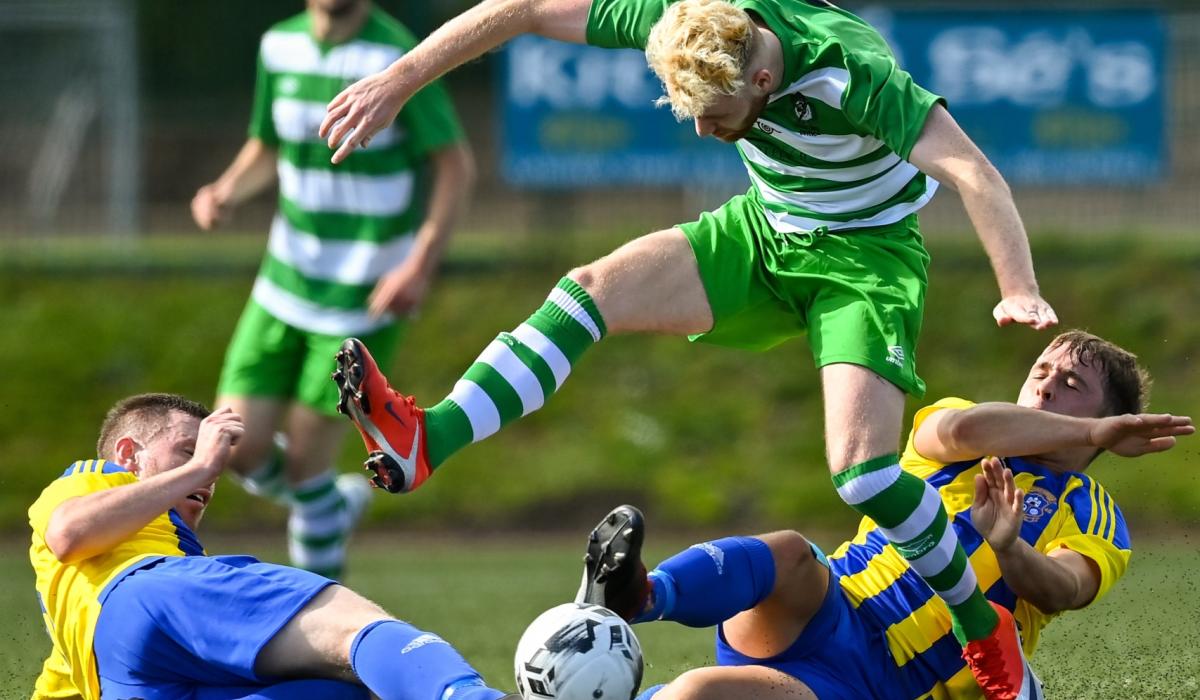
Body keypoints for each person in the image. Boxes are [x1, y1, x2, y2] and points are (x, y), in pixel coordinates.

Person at [325, 0, 1056, 695]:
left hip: (866, 261)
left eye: (715, 116)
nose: (703, 134)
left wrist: (1017, 285)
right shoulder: (687, 19)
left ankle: (976, 622)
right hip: (763, 231)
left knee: (862, 474)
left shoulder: (851, 69)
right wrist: (399, 79)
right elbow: (525, 9)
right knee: (589, 291)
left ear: (763, 79)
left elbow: (972, 171)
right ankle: (430, 439)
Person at [574, 331, 1193, 699]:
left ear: (1112, 422)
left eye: (1073, 382)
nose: (1047, 385)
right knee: (791, 551)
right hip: (830, 602)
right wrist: (1090, 426)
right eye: (1041, 371)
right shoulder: (970, 432)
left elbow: (1067, 589)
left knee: (696, 692)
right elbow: (961, 427)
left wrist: (1010, 547)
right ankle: (641, 597)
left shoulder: (1095, 513)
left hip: (882, 681)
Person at [190, 0, 475, 578]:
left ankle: (322, 622)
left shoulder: (396, 53)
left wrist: (418, 264)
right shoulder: (278, 45)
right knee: (234, 450)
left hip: (364, 297)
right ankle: (334, 507)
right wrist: (224, 190)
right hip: (282, 284)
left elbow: (455, 164)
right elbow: (269, 145)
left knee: (302, 468)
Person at [28, 393, 516, 700]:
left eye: (208, 458)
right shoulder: (91, 482)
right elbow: (69, 534)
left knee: (345, 691)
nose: (211, 471)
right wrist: (198, 468)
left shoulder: (79, 604)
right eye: (188, 448)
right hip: (146, 596)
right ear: (128, 453)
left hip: (121, 677)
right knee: (354, 630)